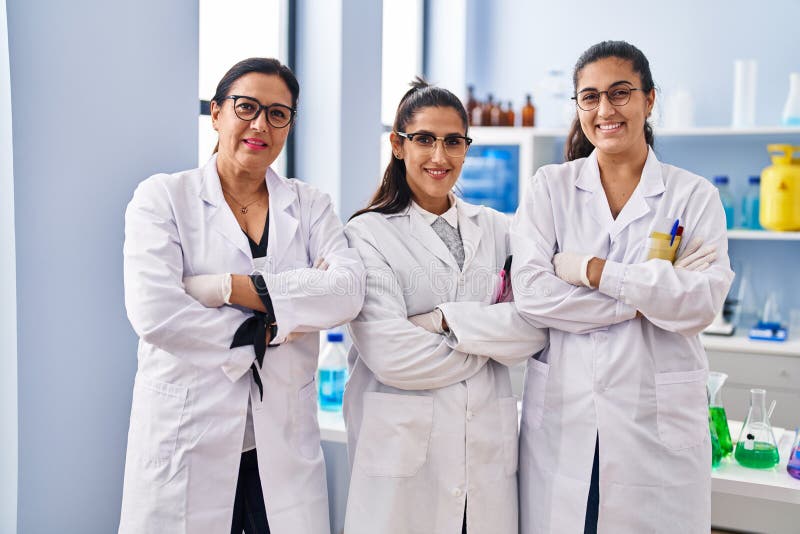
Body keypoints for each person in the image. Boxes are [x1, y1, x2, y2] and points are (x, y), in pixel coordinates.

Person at [119, 57, 365, 534]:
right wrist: (280, 322)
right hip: (189, 439)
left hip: (280, 444)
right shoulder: (164, 199)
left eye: (278, 113)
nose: (260, 125)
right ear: (215, 113)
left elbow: (347, 292)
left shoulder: (310, 204)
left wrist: (224, 288)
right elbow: (157, 314)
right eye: (246, 107)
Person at [511, 41, 734, 534]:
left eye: (620, 93)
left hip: (653, 431)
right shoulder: (549, 187)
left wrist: (592, 271)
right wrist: (645, 298)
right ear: (578, 107)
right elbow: (531, 294)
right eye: (589, 97)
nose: (605, 110)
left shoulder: (693, 196)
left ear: (649, 100)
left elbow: (700, 304)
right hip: (564, 422)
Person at [342, 79, 548, 534]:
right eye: (424, 140)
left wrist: (443, 321)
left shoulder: (496, 228)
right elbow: (392, 356)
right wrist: (492, 338)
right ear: (398, 145)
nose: (440, 156)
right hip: (403, 458)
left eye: (453, 142)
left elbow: (534, 328)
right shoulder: (366, 234)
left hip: (485, 455)